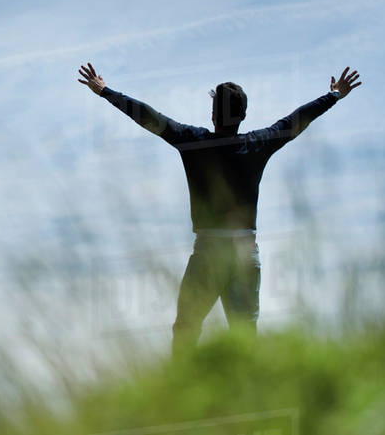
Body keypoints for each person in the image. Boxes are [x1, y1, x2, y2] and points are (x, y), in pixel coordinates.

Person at [77, 63, 361, 354]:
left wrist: (105, 92)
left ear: (213, 115)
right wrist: (333, 96)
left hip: (208, 252)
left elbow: (148, 116)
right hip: (244, 252)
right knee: (244, 335)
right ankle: (251, 396)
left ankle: (179, 394)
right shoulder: (257, 144)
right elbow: (295, 121)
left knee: (186, 328)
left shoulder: (194, 142)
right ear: (244, 115)